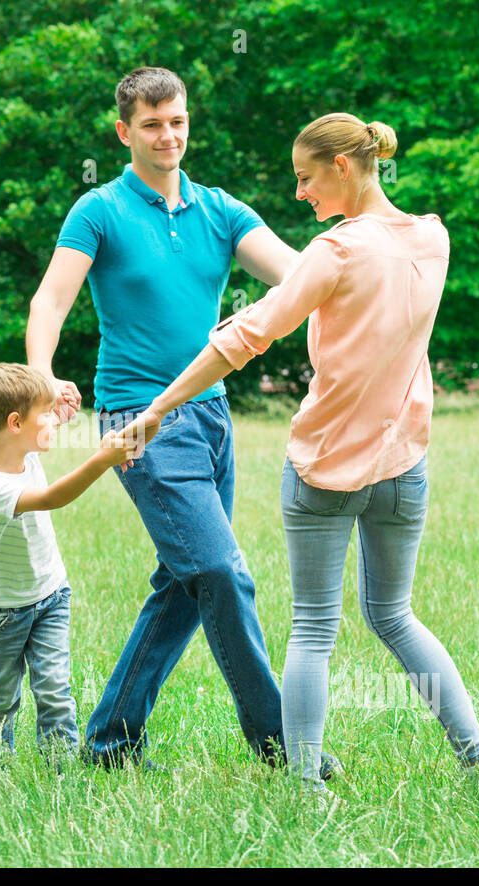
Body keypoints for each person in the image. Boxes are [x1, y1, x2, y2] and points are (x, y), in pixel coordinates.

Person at [117, 112, 479, 796]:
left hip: (324, 468)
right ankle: (478, 758)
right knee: (394, 614)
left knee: (315, 630)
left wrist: (155, 410)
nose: (300, 194)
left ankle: (304, 785)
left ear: (343, 167)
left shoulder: (335, 251)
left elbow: (242, 338)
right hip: (403, 467)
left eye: (305, 178)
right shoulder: (432, 239)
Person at [27, 66, 339, 778]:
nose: (168, 136)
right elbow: (51, 300)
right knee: (221, 574)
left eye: (178, 122)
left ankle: (109, 740)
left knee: (184, 582)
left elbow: (299, 278)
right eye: (152, 125)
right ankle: (289, 749)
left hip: (211, 416)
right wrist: (45, 374)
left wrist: (366, 256)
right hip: (140, 421)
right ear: (123, 131)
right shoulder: (99, 211)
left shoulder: (220, 210)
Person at [0, 362, 131, 773]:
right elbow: (53, 497)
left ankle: (62, 772)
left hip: (52, 596)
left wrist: (58, 400)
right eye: (47, 417)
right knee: (3, 695)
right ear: (16, 423)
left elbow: (46, 415)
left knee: (55, 689)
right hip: (4, 611)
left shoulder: (24, 445)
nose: (56, 424)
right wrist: (102, 460)